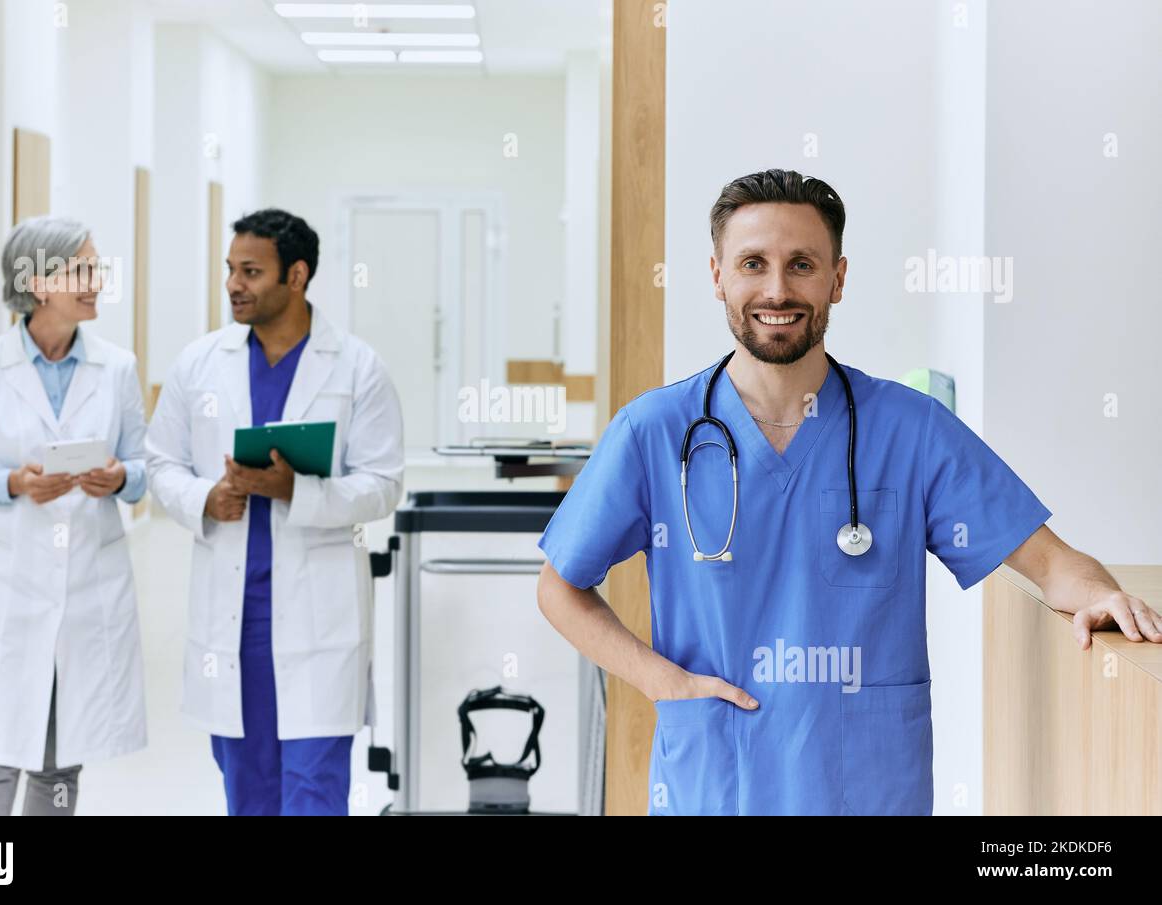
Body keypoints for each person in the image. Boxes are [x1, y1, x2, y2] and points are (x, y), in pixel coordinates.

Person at [535, 169, 1162, 816]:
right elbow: (559, 585)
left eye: (801, 264)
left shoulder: (910, 431)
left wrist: (1103, 595)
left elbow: (1051, 562)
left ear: (837, 278)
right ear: (718, 276)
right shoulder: (654, 431)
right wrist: (662, 683)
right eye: (753, 263)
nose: (777, 289)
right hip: (715, 786)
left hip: (869, 791)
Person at [147, 208, 404, 815]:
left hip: (320, 615)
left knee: (314, 788)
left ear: (296, 275)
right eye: (231, 270)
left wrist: (296, 492)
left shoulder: (358, 367)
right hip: (232, 620)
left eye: (252, 271)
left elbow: (383, 484)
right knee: (248, 791)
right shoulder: (198, 364)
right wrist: (205, 497)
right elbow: (159, 464)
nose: (235, 284)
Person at [0, 216, 149, 815]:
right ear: (39, 281)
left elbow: (145, 466)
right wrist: (12, 483)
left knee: (60, 762)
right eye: (83, 269)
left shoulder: (117, 368)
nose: (97, 280)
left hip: (84, 588)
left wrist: (121, 477)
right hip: (1, 593)